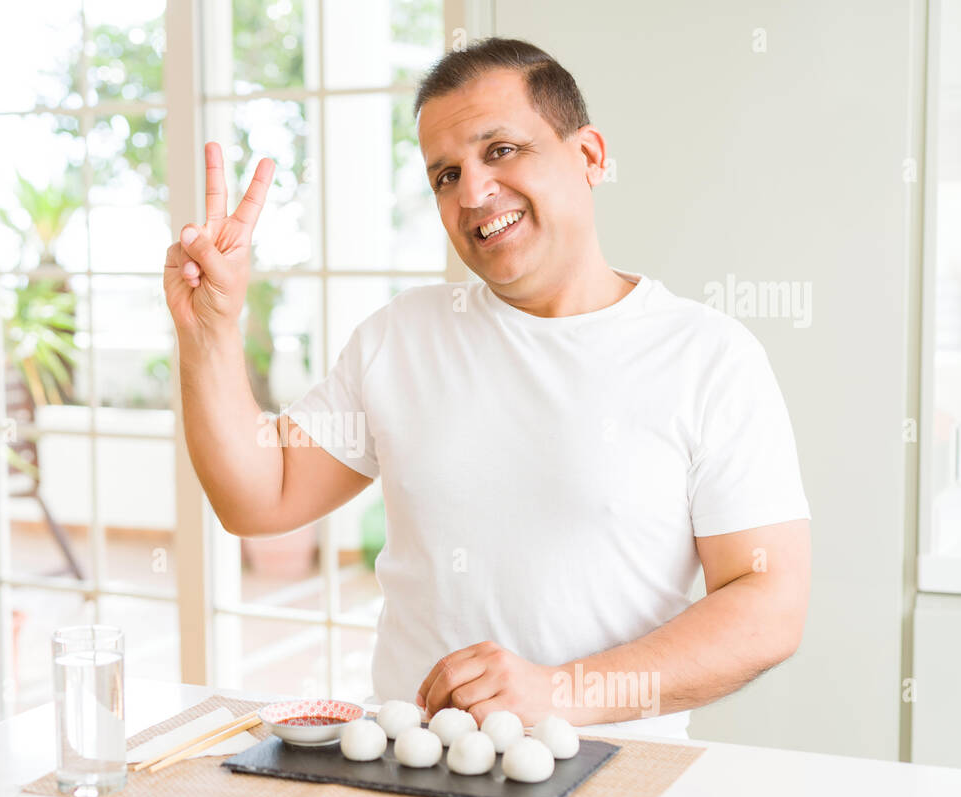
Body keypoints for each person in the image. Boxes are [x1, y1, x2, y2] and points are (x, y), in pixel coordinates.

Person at [162, 37, 810, 739]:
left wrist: (558, 693)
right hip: (410, 770)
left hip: (613, 786)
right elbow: (260, 494)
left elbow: (768, 600)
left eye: (499, 150)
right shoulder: (400, 338)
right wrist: (210, 333)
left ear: (590, 155)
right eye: (445, 174)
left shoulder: (708, 357)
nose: (472, 193)